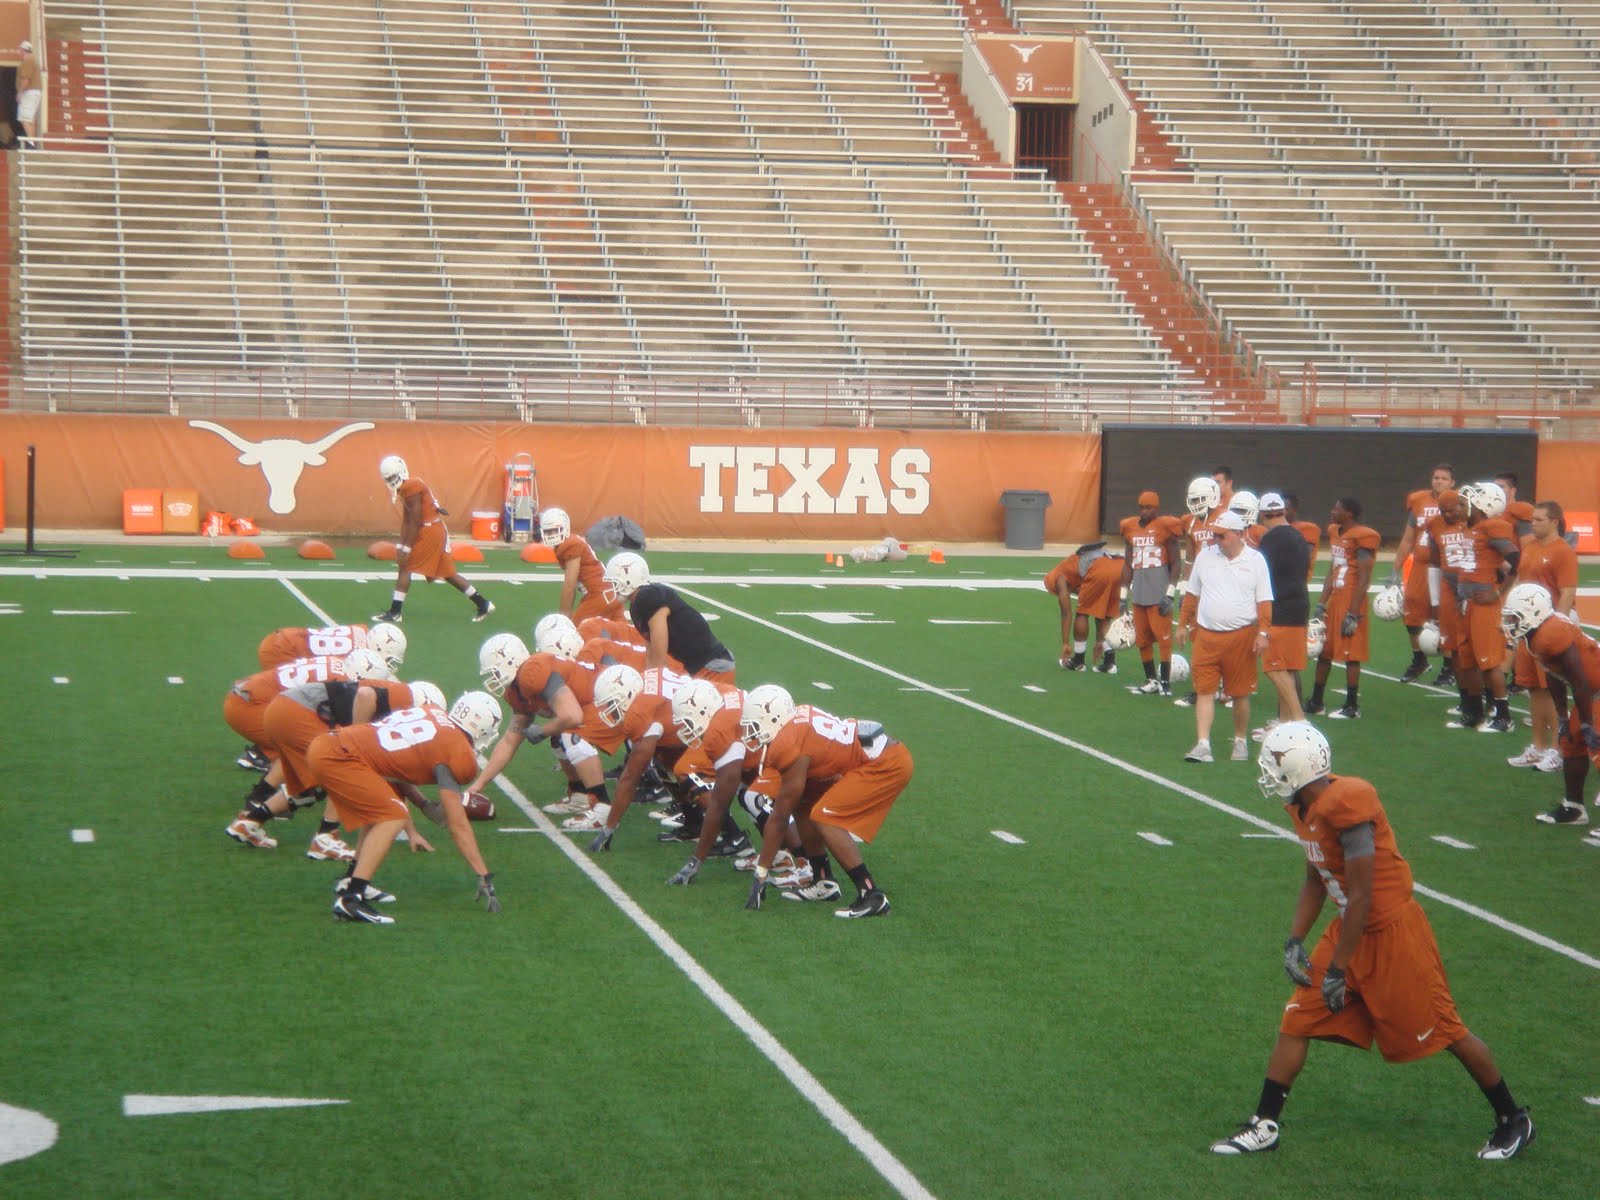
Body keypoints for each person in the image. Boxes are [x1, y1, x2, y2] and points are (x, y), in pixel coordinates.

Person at [1210, 722, 1534, 1161]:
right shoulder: (1304, 806)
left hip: (1391, 933)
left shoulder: (1348, 802)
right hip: (1349, 929)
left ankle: (1513, 1119)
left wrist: (1339, 969)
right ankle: (1266, 1123)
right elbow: (1315, 878)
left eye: (1275, 762)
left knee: (1446, 1028)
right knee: (1296, 1018)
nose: (1268, 770)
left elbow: (1362, 895)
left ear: (1299, 767)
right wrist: (1294, 938)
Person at [305, 692, 503, 924]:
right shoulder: (458, 752)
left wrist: (422, 804)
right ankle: (351, 899)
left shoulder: (434, 713)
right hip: (340, 757)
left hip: (331, 745)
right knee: (393, 816)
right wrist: (483, 873)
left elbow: (395, 767)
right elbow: (457, 825)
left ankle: (352, 881)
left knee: (382, 812)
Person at [740, 685, 913, 918]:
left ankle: (872, 895)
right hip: (873, 755)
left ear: (774, 718)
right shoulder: (795, 723)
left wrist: (761, 871)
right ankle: (823, 881)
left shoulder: (787, 744)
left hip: (884, 762)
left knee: (825, 817)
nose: (751, 733)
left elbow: (780, 817)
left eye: (755, 725)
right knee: (805, 803)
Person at [470, 631, 609, 817]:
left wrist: (542, 731)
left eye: (495, 670)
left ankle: (602, 807)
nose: (493, 677)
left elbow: (573, 716)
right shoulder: (517, 690)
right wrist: (479, 785)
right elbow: (509, 742)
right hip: (596, 703)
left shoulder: (532, 672)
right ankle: (580, 796)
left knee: (568, 736)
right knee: (559, 737)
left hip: (610, 699)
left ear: (511, 661)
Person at [1175, 511, 1272, 764]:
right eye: (1215, 535)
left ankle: (1240, 741)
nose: (1216, 540)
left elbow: (1264, 600)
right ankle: (1203, 744)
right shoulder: (1205, 556)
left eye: (1222, 535)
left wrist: (1263, 632)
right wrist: (1183, 624)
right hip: (1206, 635)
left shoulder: (1256, 560)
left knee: (1240, 693)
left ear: (1239, 534)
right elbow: (1192, 593)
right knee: (1204, 691)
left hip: (1241, 636)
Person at [1502, 583, 1600, 828]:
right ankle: (1574, 808)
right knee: (1570, 741)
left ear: (1533, 612)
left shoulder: (1551, 633)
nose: (1510, 621)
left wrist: (1587, 722)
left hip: (1594, 689)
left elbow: (1578, 679)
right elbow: (1555, 675)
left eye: (1515, 616)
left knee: (1596, 745)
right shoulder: (1536, 635)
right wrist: (1564, 717)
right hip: (1593, 690)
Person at [371, 454, 494, 625]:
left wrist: (406, 549)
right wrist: (401, 544)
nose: (392, 480)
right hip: (433, 528)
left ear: (401, 471)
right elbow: (407, 520)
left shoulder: (411, 486)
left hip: (429, 531)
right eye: (389, 478)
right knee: (448, 574)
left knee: (405, 567)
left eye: (393, 476)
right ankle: (483, 603)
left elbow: (414, 520)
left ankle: (395, 612)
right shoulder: (407, 487)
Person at [1436, 483, 1518, 732]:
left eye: (1463, 503)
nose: (1459, 508)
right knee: (1466, 659)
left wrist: (1497, 593)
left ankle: (1503, 717)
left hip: (1484, 605)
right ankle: (1474, 712)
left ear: (1483, 505)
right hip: (1467, 603)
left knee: (1489, 661)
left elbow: (1515, 560)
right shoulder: (1474, 529)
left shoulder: (1493, 527)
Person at [1506, 502, 1578, 773]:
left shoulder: (1563, 552)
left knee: (1552, 691)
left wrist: (1555, 630)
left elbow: (1567, 593)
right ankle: (1538, 747)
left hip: (1547, 630)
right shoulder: (1530, 546)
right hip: (1527, 629)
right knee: (1533, 688)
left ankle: (1559, 750)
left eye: (1538, 519)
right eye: (1532, 519)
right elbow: (1520, 582)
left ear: (1555, 521)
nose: (1532, 523)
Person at [1305, 498, 1381, 720]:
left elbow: (1364, 578)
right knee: (1324, 652)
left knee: (1351, 654)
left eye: (1337, 508)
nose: (1332, 511)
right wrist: (1321, 602)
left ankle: (1352, 705)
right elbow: (1333, 568)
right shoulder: (1335, 532)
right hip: (1336, 597)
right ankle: (1317, 700)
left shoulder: (1363, 536)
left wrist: (1353, 613)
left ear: (1348, 514)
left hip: (1351, 598)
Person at [1385, 463, 1455, 684]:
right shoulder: (1419, 501)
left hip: (1446, 567)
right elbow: (1408, 538)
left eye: (1444, 478)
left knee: (1445, 616)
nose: (1439, 481)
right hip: (1421, 565)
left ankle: (1449, 666)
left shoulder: (1458, 502)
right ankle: (1419, 660)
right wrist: (1395, 568)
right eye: (1436, 477)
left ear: (1452, 483)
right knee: (1412, 614)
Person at [620, 553, 737, 682]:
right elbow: (651, 649)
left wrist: (656, 676)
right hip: (700, 666)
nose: (612, 585)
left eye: (615, 580)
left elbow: (659, 647)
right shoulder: (637, 605)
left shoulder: (647, 596)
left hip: (712, 666)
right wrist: (649, 677)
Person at [1253, 493, 1310, 738]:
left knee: (1275, 668)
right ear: (1283, 512)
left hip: (1280, 609)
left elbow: (1264, 575)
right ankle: (1286, 724)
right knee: (1286, 667)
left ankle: (1299, 721)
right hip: (1299, 606)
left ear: (1263, 514)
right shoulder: (1298, 536)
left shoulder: (1271, 540)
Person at [1118, 490, 1184, 695]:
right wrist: (1122, 597)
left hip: (1159, 594)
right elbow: (1128, 564)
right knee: (1142, 640)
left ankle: (1165, 682)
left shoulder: (1165, 527)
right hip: (1139, 594)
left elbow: (1176, 564)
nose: (1145, 511)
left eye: (1149, 507)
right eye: (1142, 507)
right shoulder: (1129, 528)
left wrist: (1170, 594)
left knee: (1164, 639)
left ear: (1157, 508)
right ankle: (1151, 680)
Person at [1174, 475, 1225, 707]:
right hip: (1201, 587)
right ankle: (1205, 687)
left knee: (1224, 637)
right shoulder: (1191, 522)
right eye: (1194, 499)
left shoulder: (1225, 518)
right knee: (1199, 637)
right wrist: (1184, 588)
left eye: (1201, 499)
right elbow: (1190, 558)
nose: (1197, 503)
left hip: (1223, 587)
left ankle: (1224, 686)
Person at [1045, 542, 1125, 672]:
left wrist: (1065, 643)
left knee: (1082, 613)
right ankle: (1110, 663)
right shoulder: (1071, 564)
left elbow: (1066, 613)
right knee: (1104, 614)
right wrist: (1099, 640)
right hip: (1120, 567)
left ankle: (1078, 661)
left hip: (1100, 568)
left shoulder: (1058, 578)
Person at [539, 506, 623, 622]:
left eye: (555, 529)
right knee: (623, 634)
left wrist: (563, 615)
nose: (552, 534)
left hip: (598, 596)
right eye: (548, 531)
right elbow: (571, 588)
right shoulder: (570, 542)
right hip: (610, 594)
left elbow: (570, 585)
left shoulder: (569, 544)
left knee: (575, 633)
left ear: (565, 528)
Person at [256, 621, 405, 672]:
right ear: (380, 647)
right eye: (389, 658)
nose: (388, 663)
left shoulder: (362, 630)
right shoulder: (360, 657)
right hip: (284, 652)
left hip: (283, 638)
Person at [14, 41, 40, 149]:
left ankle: (31, 143)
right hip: (34, 92)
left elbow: (26, 79)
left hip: (29, 92)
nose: (19, 52)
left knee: (25, 117)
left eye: (20, 50)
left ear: (24, 50)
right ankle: (32, 141)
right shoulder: (33, 60)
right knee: (30, 118)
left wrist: (20, 93)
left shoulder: (28, 60)